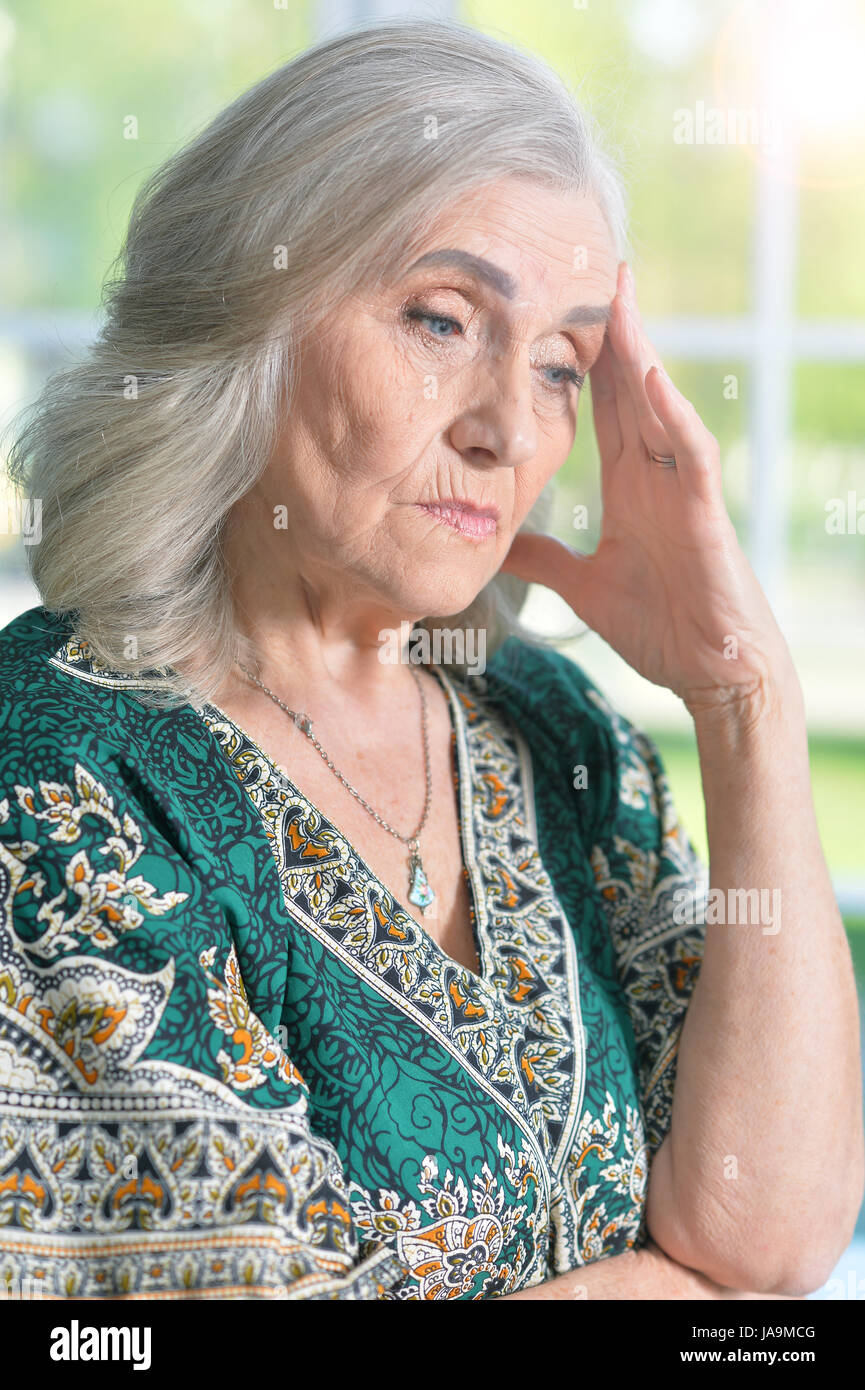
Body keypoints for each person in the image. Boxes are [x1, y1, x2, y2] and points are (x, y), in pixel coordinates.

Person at [0, 18, 861, 1302]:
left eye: (561, 365)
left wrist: (744, 696)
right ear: (247, 319)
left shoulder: (550, 724)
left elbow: (770, 1240)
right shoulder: (57, 768)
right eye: (443, 321)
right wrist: (670, 1289)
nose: (508, 425)